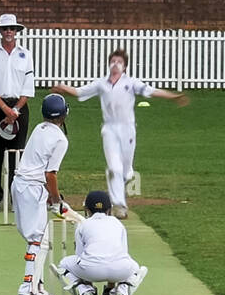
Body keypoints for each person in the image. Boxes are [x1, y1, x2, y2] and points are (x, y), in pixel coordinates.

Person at [48, 48, 188, 218]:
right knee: (114, 168)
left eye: (119, 62)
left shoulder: (131, 82)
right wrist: (62, 88)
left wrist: (173, 97)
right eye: (113, 62)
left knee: (126, 172)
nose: (115, 65)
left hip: (128, 129)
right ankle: (119, 205)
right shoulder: (102, 83)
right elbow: (80, 92)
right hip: (109, 129)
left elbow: (152, 91)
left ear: (125, 67)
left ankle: (122, 184)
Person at [12, 94, 71, 295]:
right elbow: (50, 174)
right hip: (32, 187)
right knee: (37, 240)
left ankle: (36, 285)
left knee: (35, 239)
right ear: (64, 114)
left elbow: (39, 168)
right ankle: (28, 289)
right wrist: (56, 201)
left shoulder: (39, 128)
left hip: (19, 184)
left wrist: (52, 198)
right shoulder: (60, 139)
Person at [55, 190, 148, 295]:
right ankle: (120, 293)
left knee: (64, 264)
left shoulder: (83, 225)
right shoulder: (118, 224)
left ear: (87, 209)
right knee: (136, 268)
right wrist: (110, 288)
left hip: (91, 270)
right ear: (109, 209)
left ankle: (85, 293)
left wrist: (89, 286)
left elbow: (81, 257)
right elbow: (122, 254)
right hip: (120, 270)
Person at [0, 13, 34, 212]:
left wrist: (15, 110)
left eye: (12, 29)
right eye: (5, 29)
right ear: (0, 32)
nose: (9, 32)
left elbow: (28, 88)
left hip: (19, 108)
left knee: (17, 156)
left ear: (16, 31)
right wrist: (5, 109)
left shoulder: (25, 54)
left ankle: (15, 199)